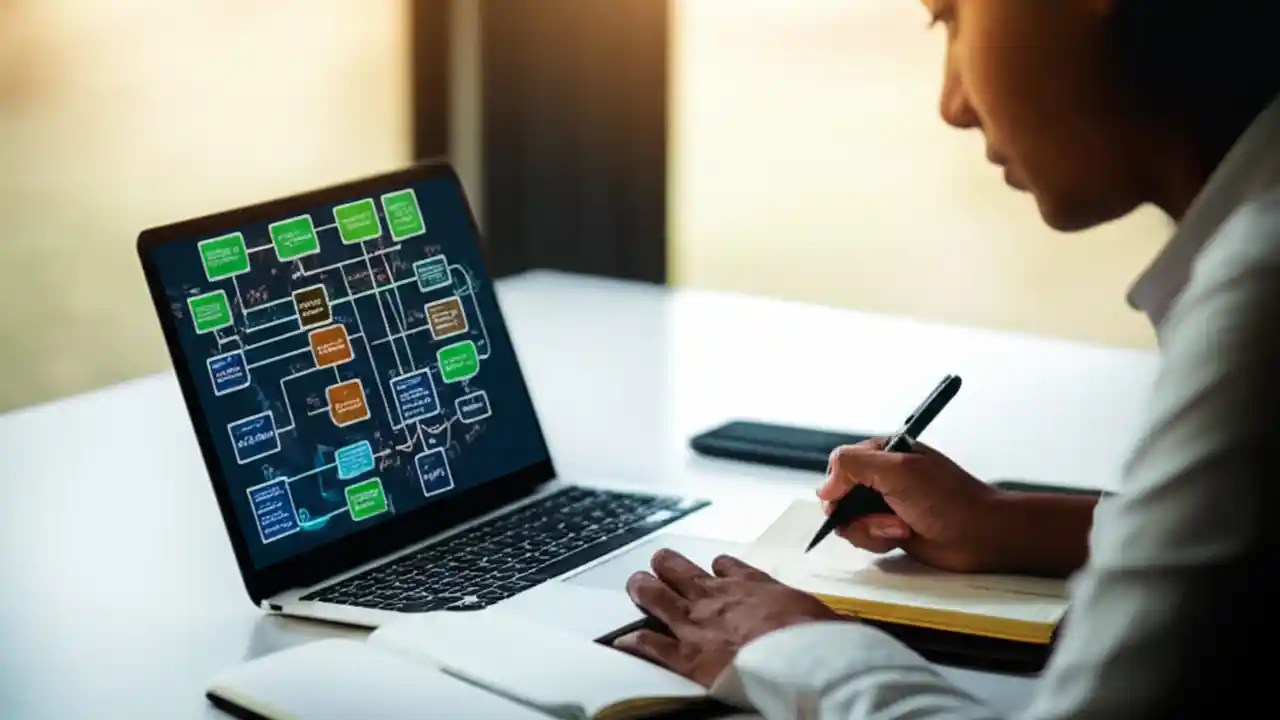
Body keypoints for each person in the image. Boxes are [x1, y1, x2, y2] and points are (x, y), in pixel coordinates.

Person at [613, 1, 1280, 717]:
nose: (954, 105)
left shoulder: (1263, 289)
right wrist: (1009, 523)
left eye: (952, 16)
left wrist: (788, 645)